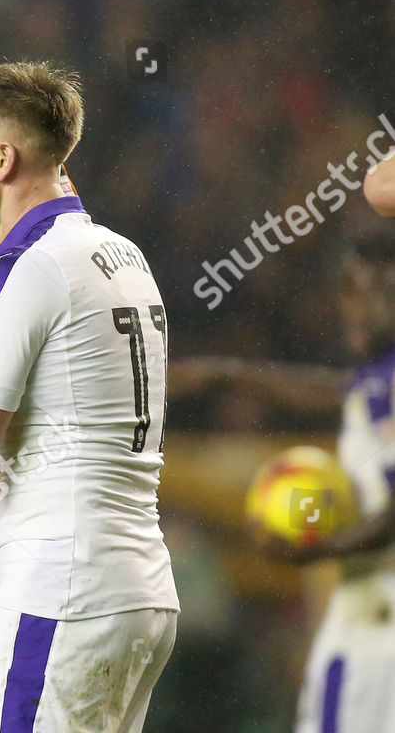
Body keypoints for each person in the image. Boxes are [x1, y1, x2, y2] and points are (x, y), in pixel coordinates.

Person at [0, 61, 177, 731]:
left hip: (62, 593)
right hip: (135, 588)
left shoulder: (23, 270)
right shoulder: (120, 253)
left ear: (2, 158)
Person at [173, 233, 395, 733]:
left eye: (373, 290)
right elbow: (338, 393)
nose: (353, 307)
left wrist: (318, 546)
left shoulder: (385, 385)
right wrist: (226, 375)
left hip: (377, 633)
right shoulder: (375, 381)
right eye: (349, 291)